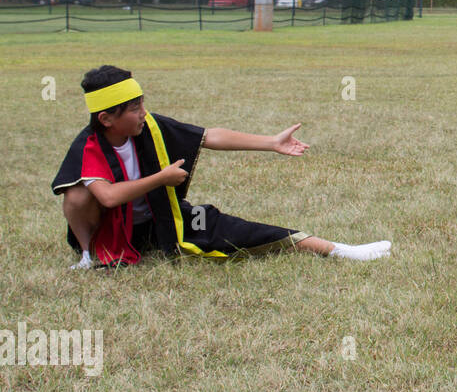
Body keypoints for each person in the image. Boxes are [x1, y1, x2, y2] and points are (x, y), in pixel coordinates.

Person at [52, 65, 392, 267]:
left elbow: (209, 136)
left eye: (143, 104)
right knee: (76, 197)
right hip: (110, 230)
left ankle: (341, 251)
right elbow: (108, 198)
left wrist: (270, 142)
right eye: (134, 109)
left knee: (239, 228)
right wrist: (162, 178)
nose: (143, 113)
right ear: (106, 118)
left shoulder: (150, 126)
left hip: (163, 219)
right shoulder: (88, 146)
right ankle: (87, 256)